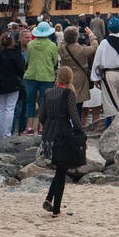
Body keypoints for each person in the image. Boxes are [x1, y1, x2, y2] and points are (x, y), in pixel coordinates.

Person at [39, 66, 84, 218]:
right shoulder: (68, 93)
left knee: (60, 169)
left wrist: (49, 126)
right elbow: (74, 117)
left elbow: (42, 117)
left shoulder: (48, 92)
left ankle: (49, 200)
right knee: (62, 170)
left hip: (48, 134)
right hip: (62, 133)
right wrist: (81, 135)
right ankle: (57, 210)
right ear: (70, 78)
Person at [91, 17, 119, 125]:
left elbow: (97, 61)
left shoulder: (104, 43)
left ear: (108, 29)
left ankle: (113, 128)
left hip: (108, 74)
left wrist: (95, 78)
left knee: (111, 104)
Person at [23, 21, 60, 135]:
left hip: (31, 75)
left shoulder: (30, 44)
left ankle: (29, 127)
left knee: (30, 102)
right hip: (47, 77)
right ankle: (41, 127)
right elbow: (54, 61)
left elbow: (27, 61)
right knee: (44, 103)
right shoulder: (52, 45)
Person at [58, 27, 96, 125]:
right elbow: (95, 47)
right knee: (78, 103)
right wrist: (91, 35)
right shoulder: (81, 49)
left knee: (66, 104)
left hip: (65, 76)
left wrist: (68, 34)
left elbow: (62, 42)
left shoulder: (61, 48)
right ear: (76, 37)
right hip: (80, 77)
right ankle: (76, 126)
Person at [0, 31, 26, 136]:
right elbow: (21, 70)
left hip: (0, 83)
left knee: (1, 107)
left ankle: (2, 132)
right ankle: (7, 133)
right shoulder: (15, 54)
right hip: (13, 83)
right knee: (10, 108)